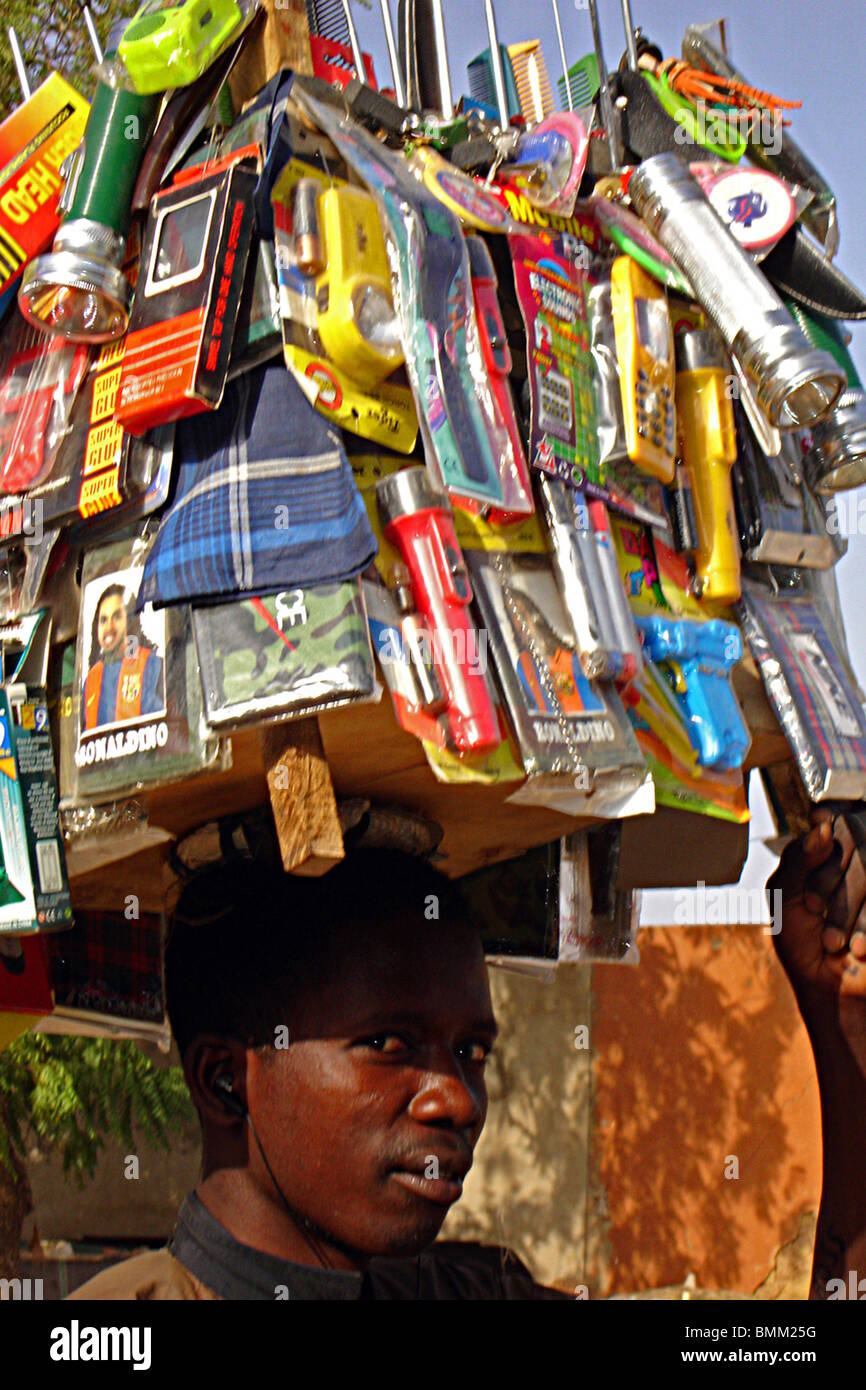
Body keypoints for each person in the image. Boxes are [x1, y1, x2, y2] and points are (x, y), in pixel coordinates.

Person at [68, 818, 866, 1301]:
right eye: (387, 1045)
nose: (458, 1100)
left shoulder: (469, 1294)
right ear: (225, 1080)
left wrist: (840, 1030)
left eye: (471, 1050)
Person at [82, 584, 165, 732]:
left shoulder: (153, 665)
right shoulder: (90, 681)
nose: (109, 627)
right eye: (103, 620)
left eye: (116, 617)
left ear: (129, 621)